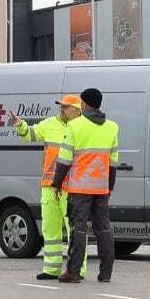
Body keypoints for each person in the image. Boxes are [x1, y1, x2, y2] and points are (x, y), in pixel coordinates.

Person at [7, 95, 81, 280]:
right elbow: (30, 135)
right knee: (50, 229)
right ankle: (52, 269)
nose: (62, 110)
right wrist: (20, 125)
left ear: (77, 109)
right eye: (61, 107)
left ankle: (78, 269)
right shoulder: (49, 123)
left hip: (72, 186)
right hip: (50, 186)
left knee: (75, 230)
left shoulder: (82, 127)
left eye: (66, 107)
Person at [53, 88, 119, 283]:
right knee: (104, 229)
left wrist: (57, 184)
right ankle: (106, 273)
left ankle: (73, 272)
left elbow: (64, 159)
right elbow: (113, 161)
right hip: (101, 187)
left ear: (85, 103)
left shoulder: (75, 126)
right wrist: (110, 186)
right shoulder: (112, 127)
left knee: (78, 229)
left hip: (79, 188)